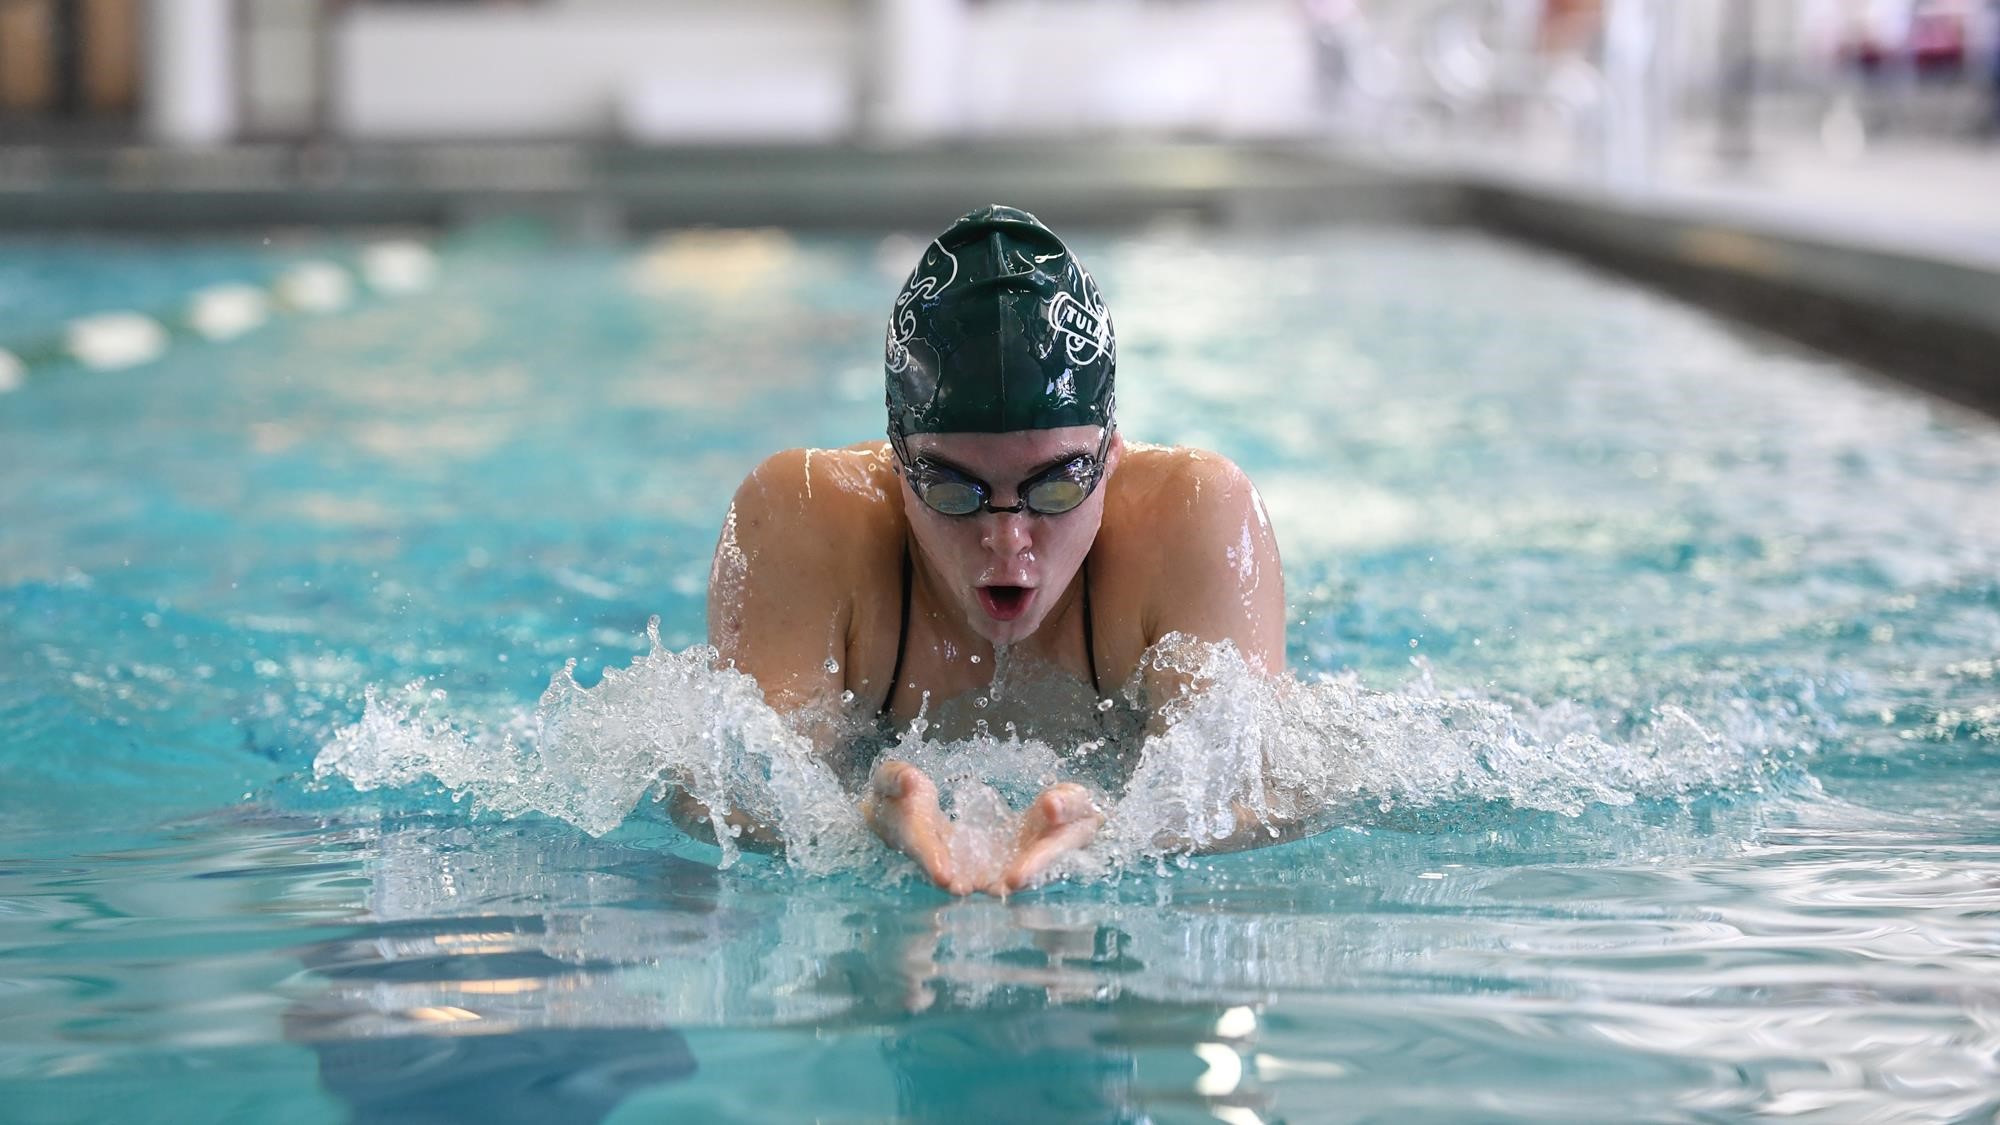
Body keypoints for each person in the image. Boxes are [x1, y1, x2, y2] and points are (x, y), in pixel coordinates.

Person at [687, 205, 1286, 896]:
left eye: (1056, 486)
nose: (1007, 539)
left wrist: (1123, 831)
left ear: (1110, 457)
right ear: (898, 466)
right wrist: (853, 827)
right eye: (953, 488)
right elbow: (719, 794)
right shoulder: (800, 518)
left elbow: (1267, 790)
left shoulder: (1194, 518)